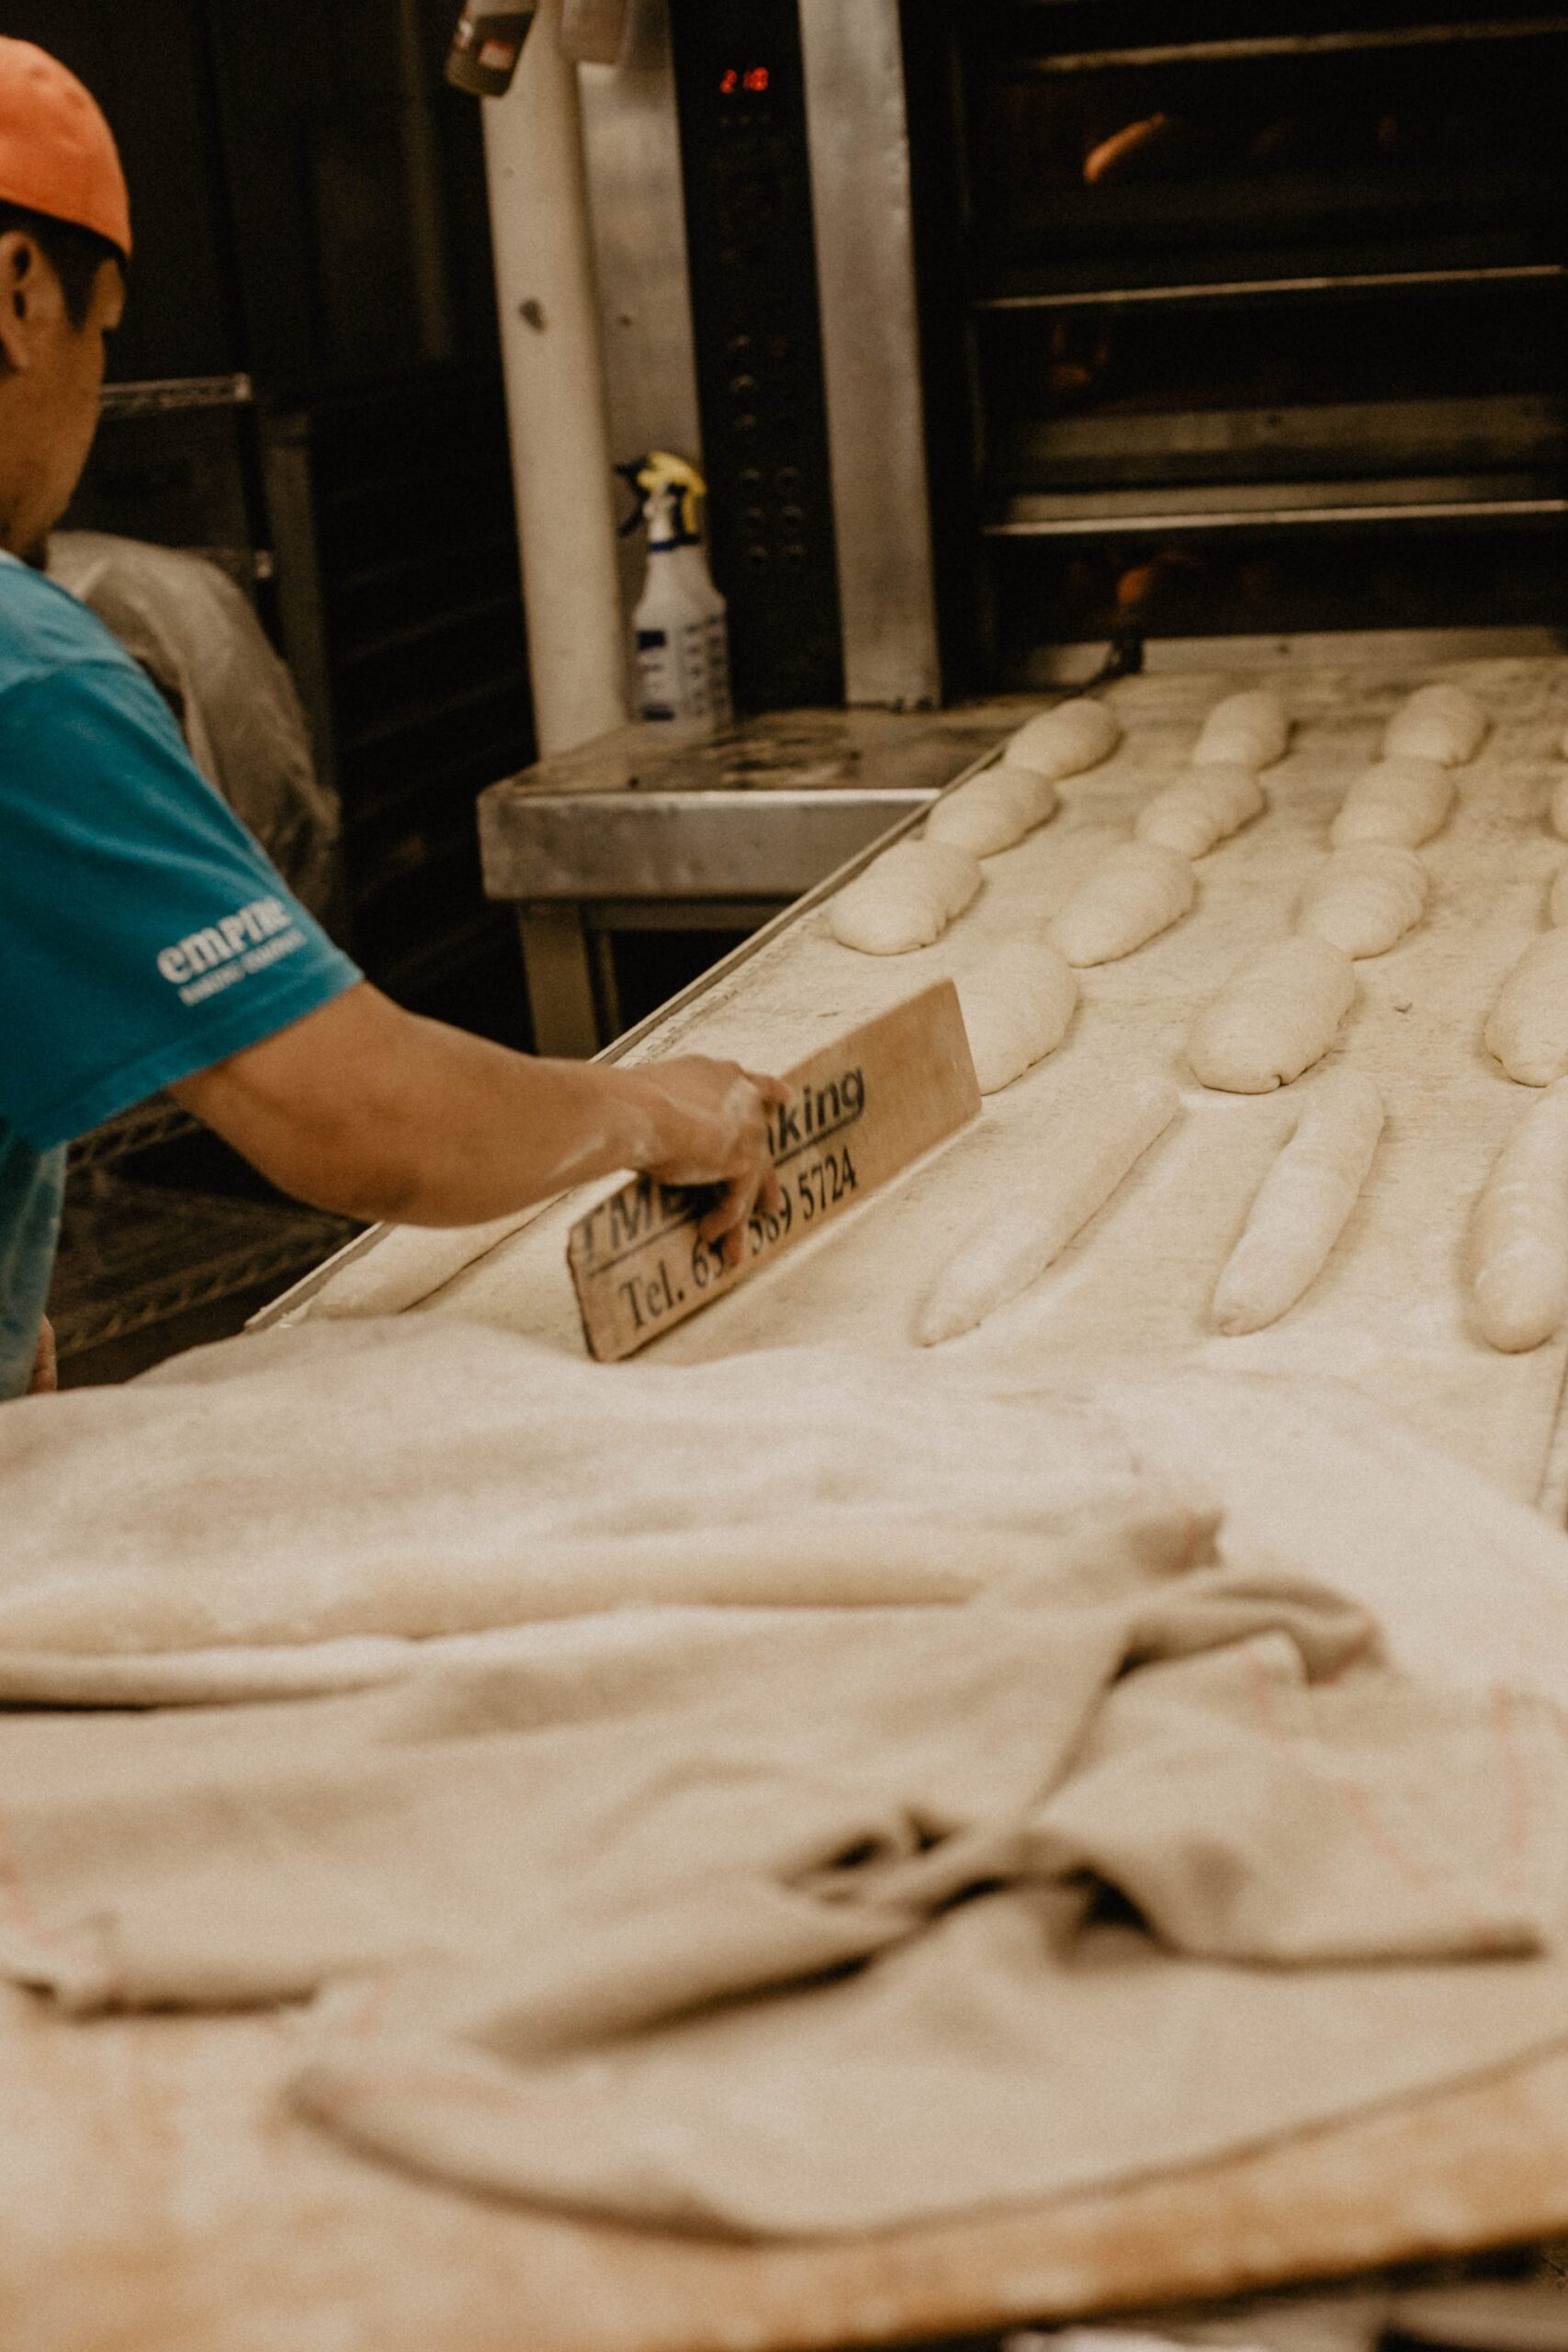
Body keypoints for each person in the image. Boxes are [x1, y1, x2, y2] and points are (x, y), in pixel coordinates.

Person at [0, 38, 785, 1402]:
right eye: (105, 334)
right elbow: (362, 1117)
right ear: (19, 290)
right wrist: (656, 1110)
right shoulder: (26, 673)